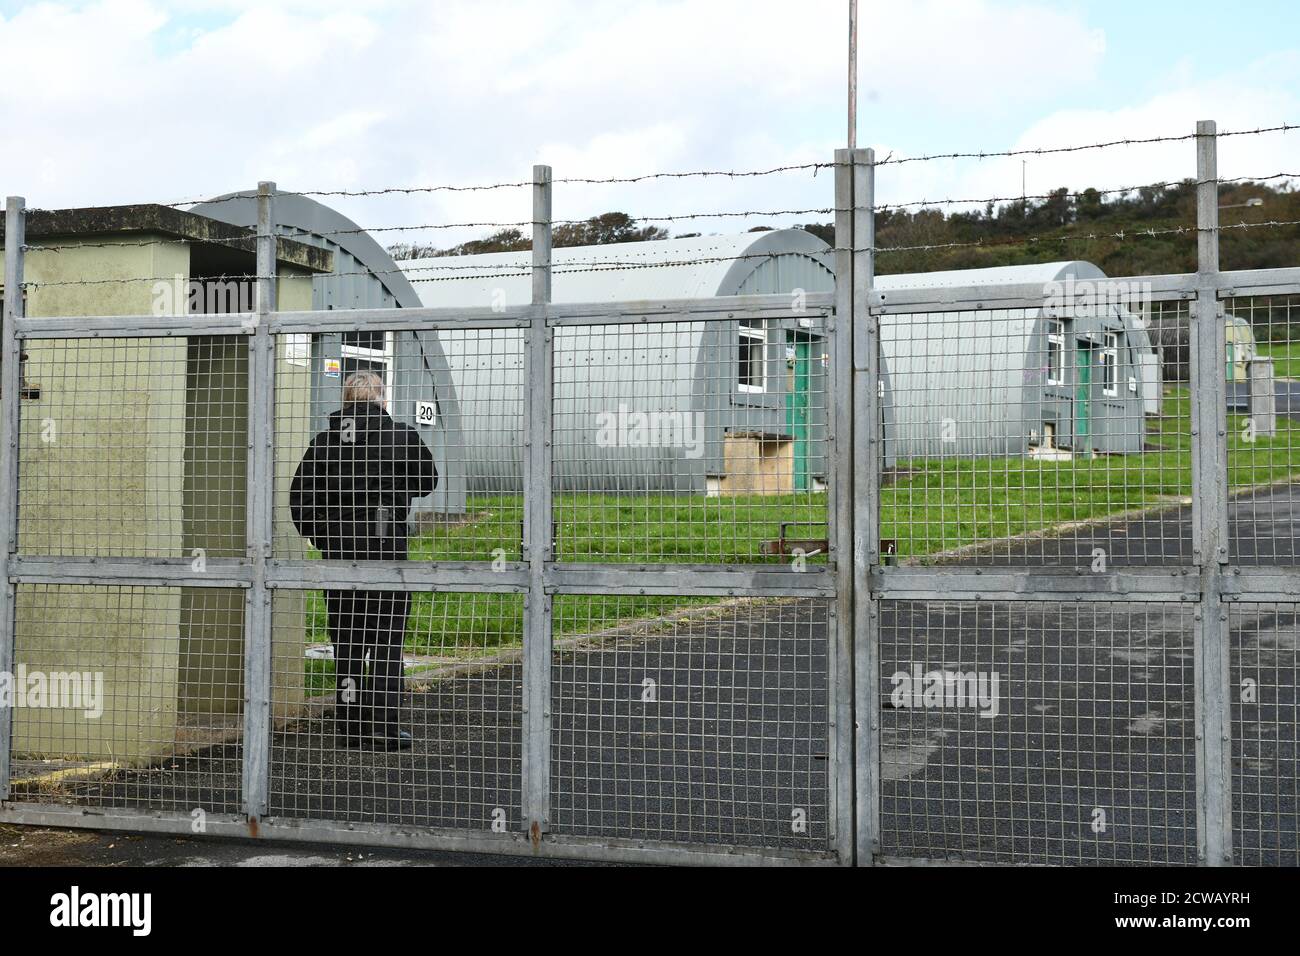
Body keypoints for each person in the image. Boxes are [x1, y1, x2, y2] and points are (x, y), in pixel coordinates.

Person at [289, 370, 437, 750]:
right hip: (387, 552)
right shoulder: (402, 437)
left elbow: (300, 500)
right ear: (380, 398)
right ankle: (385, 728)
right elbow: (427, 482)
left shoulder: (324, 443)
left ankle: (351, 727)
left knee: (348, 643)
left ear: (346, 400)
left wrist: (324, 534)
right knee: (387, 643)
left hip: (339, 556)